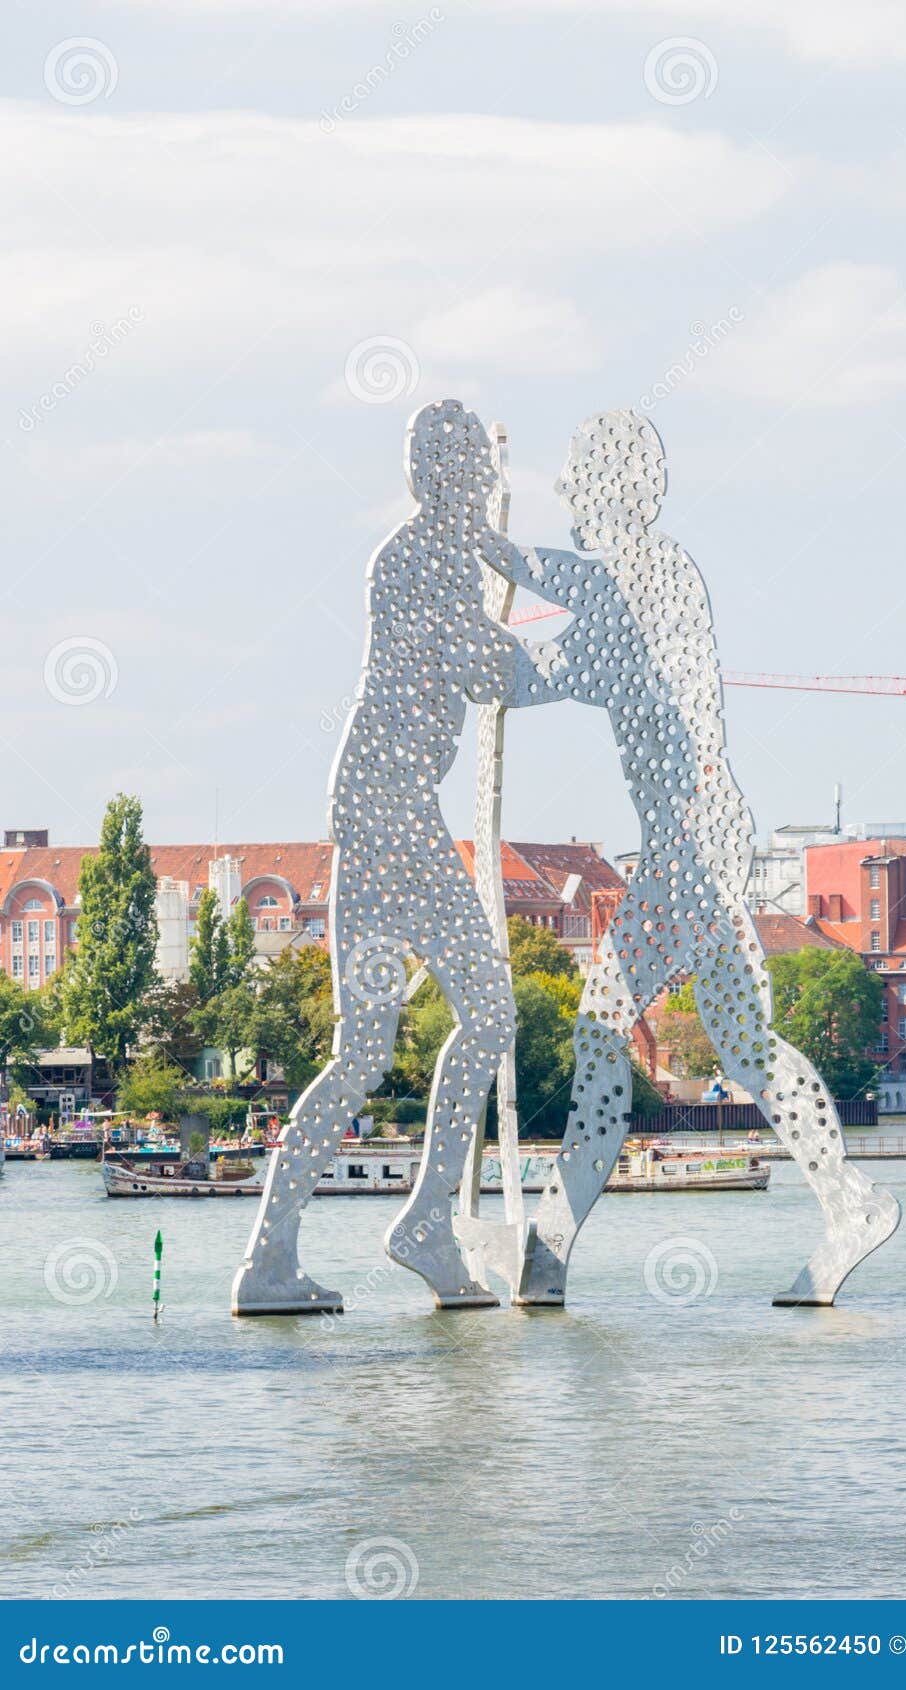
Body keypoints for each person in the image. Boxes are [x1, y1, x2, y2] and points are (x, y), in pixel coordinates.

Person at [499, 409, 900, 1307]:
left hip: (688, 849)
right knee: (747, 1045)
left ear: (617, 489)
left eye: (577, 480)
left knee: (600, 1033)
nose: (566, 496)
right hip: (704, 837)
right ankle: (850, 1201)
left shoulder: (649, 584)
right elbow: (556, 580)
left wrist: (477, 637)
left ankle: (548, 1251)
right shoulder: (642, 575)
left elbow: (547, 667)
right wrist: (497, 554)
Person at [232, 400, 540, 1316]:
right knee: (487, 1012)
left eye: (479, 471)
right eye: (464, 471)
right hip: (394, 816)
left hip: (380, 812)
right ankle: (423, 1226)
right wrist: (579, 647)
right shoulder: (421, 559)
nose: (475, 484)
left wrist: (504, 571)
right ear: (433, 478)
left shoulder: (431, 554)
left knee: (365, 1049)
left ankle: (272, 1259)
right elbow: (492, 670)